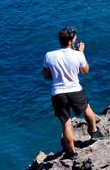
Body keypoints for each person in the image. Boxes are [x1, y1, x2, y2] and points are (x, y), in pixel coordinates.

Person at [42, 27, 104, 158]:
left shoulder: (49, 55)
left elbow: (46, 75)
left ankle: (72, 152)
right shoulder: (78, 54)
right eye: (75, 37)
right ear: (70, 41)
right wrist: (81, 53)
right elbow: (85, 71)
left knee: (66, 123)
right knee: (87, 109)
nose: (76, 38)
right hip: (75, 90)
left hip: (58, 93)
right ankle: (94, 132)